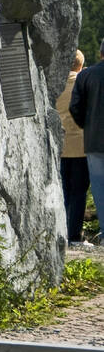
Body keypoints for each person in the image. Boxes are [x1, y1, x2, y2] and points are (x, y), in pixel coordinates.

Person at [68, 40, 104, 248]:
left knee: (100, 190)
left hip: (94, 141)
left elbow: (75, 107)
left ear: (100, 53)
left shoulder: (86, 75)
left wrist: (86, 125)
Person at [57, 50, 89, 246]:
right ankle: (74, 235)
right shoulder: (84, 81)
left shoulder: (56, 82)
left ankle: (60, 230)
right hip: (81, 145)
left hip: (59, 144)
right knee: (79, 191)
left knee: (63, 191)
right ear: (80, 65)